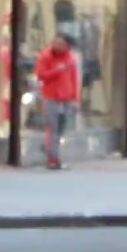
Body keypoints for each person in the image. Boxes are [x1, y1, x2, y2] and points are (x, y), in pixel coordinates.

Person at [36, 33, 80, 170]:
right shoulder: (45, 56)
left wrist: (75, 99)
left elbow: (75, 79)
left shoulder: (71, 59)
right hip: (51, 98)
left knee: (61, 128)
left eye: (61, 44)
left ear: (67, 46)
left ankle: (50, 150)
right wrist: (56, 70)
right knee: (53, 128)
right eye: (55, 43)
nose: (57, 46)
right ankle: (53, 159)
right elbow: (41, 75)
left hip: (66, 99)